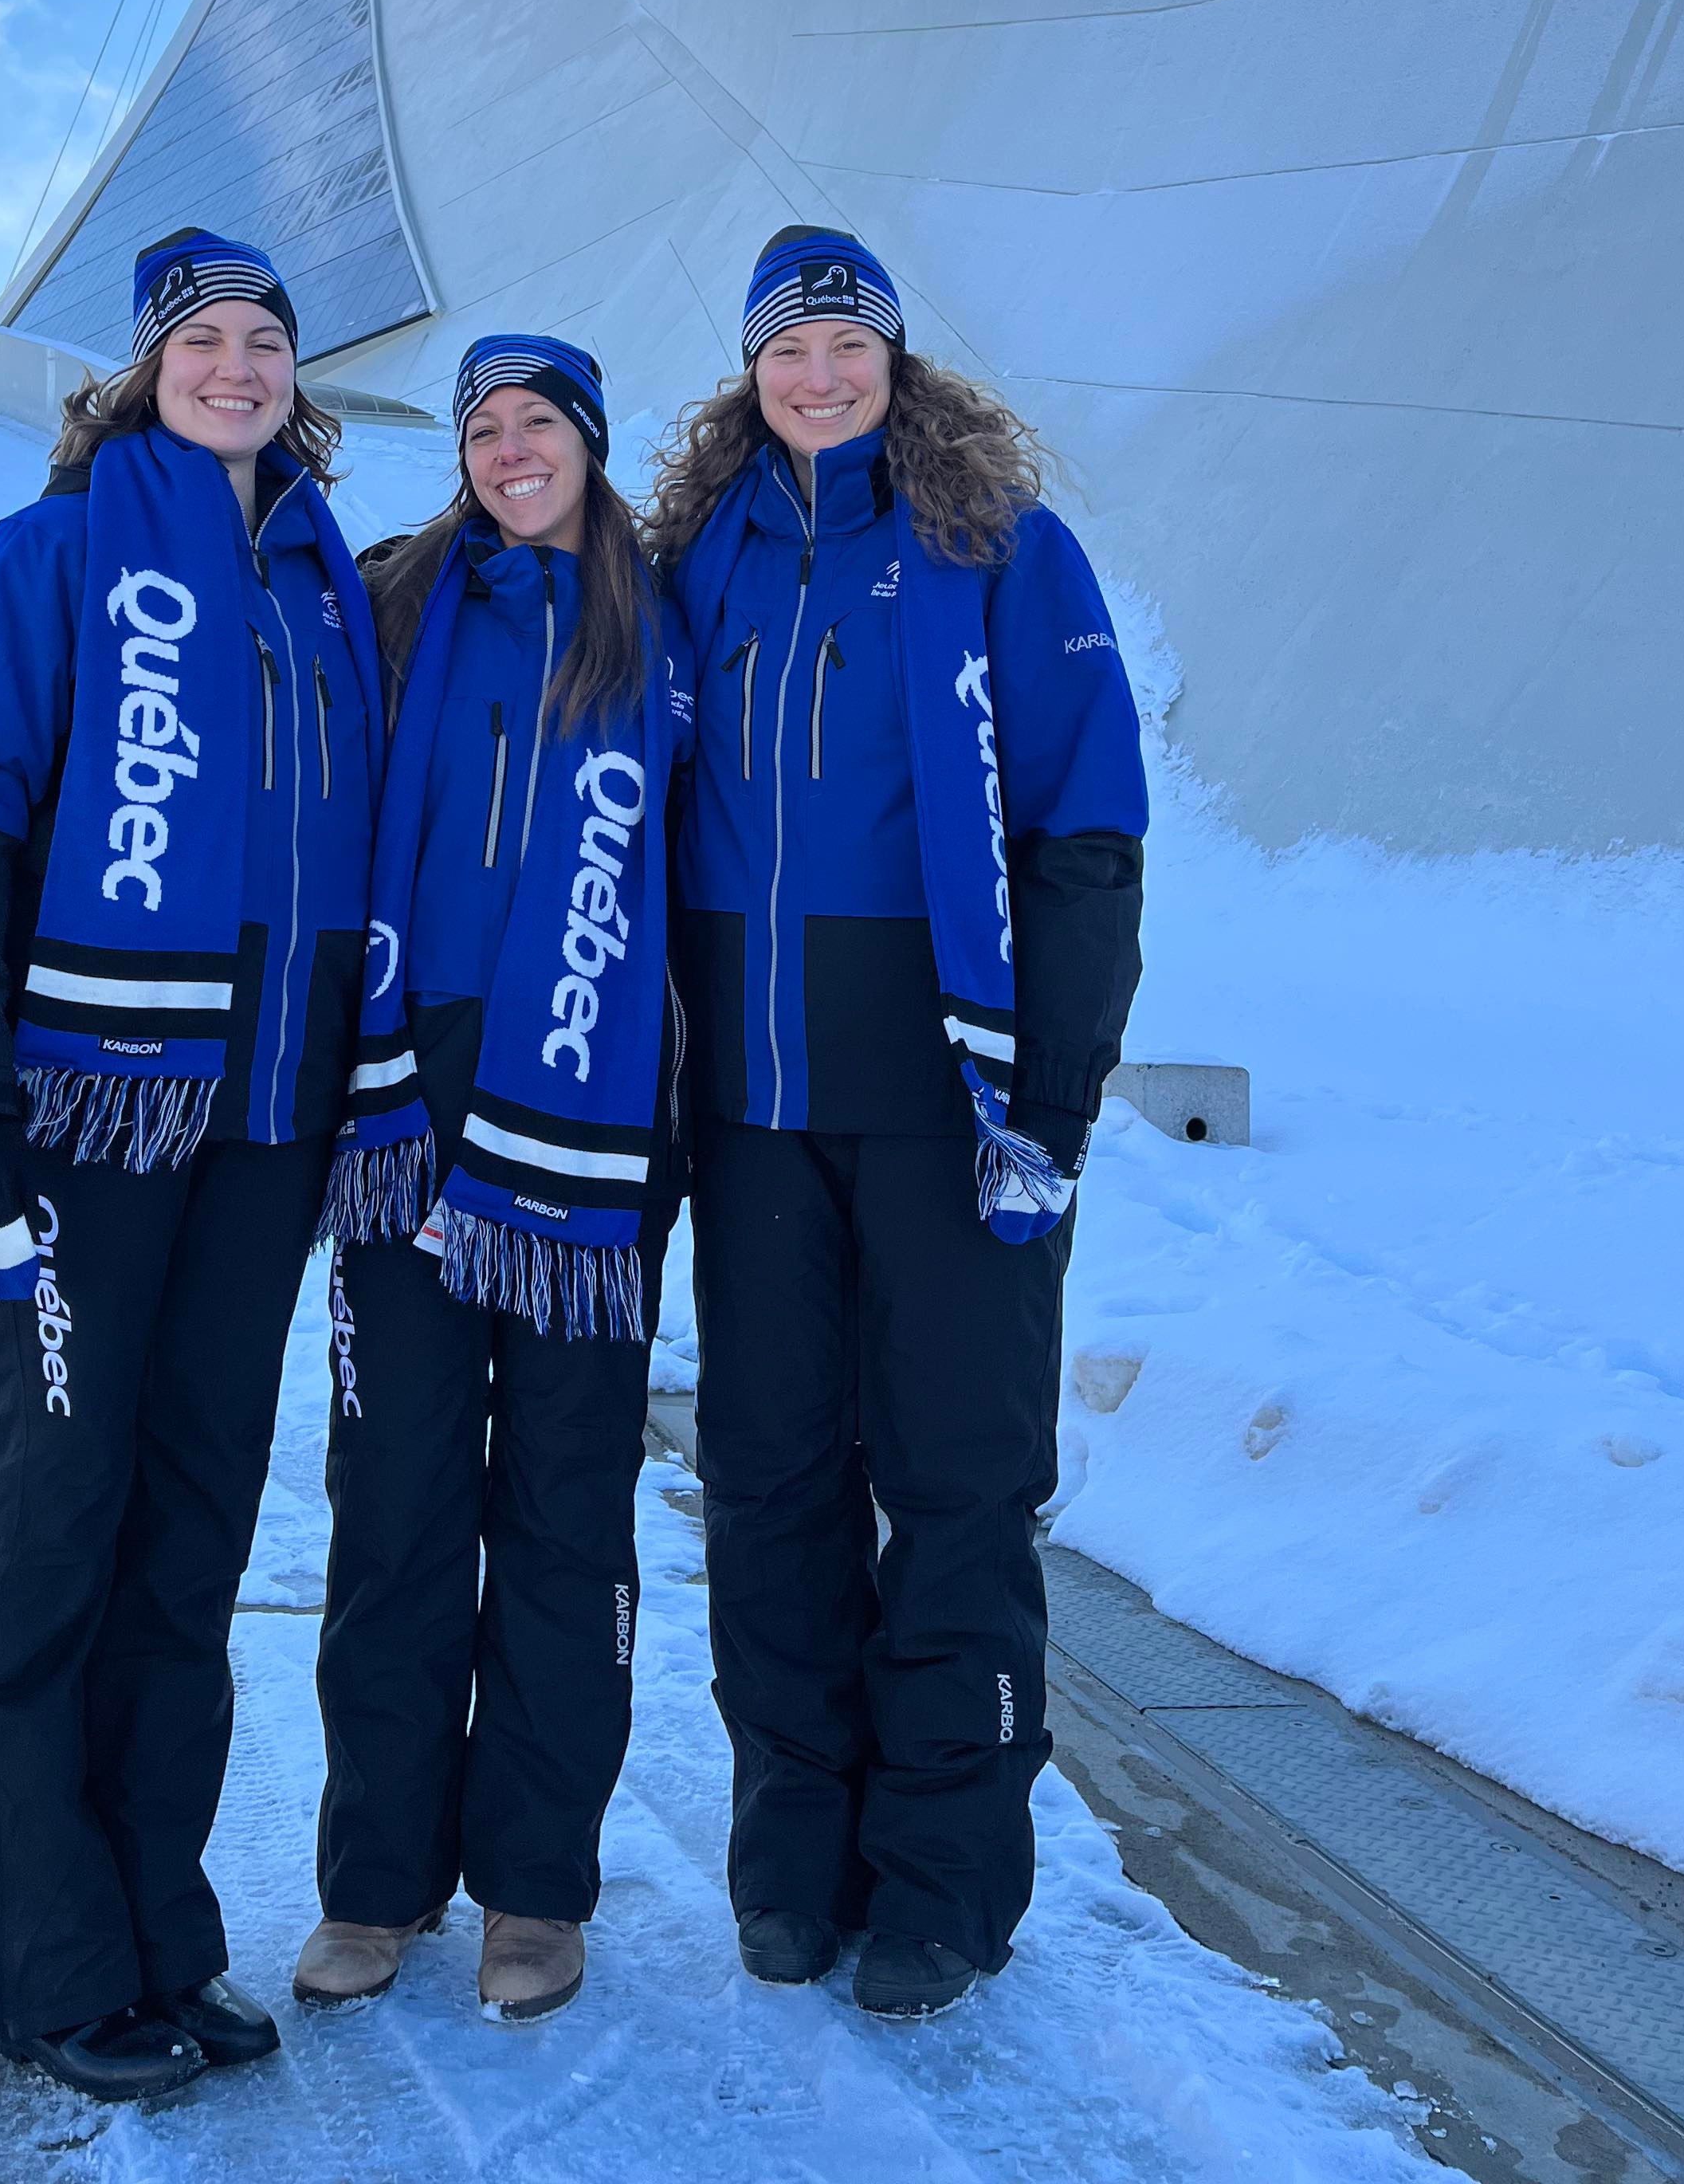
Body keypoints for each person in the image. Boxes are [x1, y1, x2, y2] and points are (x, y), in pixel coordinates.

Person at [0, 226, 383, 2107]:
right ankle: (48, 1967)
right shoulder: (54, 555)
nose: (237, 364)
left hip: (259, 1137)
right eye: (203, 339)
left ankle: (159, 1929)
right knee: (48, 1539)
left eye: (265, 339)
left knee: (187, 1548)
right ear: (144, 369)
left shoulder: (323, 590)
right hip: (88, 1128)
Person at [649, 226, 1146, 2021]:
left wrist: (1054, 1101)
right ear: (750, 374)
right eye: (787, 349)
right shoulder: (696, 558)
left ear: (895, 360)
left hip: (953, 1104)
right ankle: (796, 1855)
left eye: (847, 344)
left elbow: (1086, 832)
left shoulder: (997, 548)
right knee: (772, 1484)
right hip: (755, 1111)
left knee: (955, 1487)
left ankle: (944, 1877)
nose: (819, 375)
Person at [293, 336, 683, 2027]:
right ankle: (375, 1880)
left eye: (539, 424)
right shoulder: (396, 600)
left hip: (596, 1098)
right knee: (394, 1502)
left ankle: (536, 1883)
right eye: (484, 428)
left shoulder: (668, 619)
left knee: (565, 1506)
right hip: (407, 1092)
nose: (511, 450)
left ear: (589, 443)